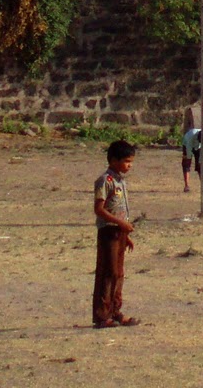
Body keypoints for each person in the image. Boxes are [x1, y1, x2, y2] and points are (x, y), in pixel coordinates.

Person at [91, 139, 139, 328]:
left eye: (131, 162)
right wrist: (121, 224)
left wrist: (126, 235)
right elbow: (99, 209)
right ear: (113, 160)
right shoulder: (105, 181)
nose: (129, 165)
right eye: (127, 161)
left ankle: (115, 310)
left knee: (119, 273)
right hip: (108, 231)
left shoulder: (120, 181)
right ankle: (102, 315)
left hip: (119, 233)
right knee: (108, 273)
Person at [180, 126, 203, 193]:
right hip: (187, 144)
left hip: (198, 147)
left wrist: (200, 162)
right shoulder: (190, 138)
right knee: (186, 164)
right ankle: (186, 186)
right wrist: (188, 157)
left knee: (200, 166)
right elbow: (188, 155)